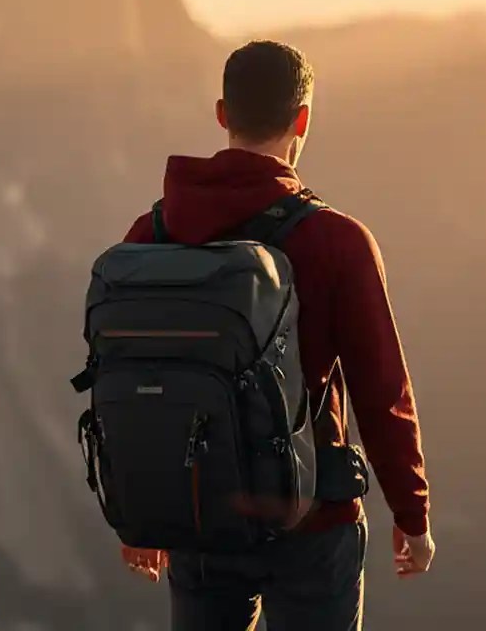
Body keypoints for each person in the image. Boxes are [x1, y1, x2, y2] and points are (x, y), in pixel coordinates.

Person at [118, 40, 433, 630]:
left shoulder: (152, 235)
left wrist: (145, 512)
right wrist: (411, 514)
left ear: (221, 114)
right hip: (313, 519)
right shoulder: (337, 241)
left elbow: (132, 376)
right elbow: (381, 390)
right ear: (303, 119)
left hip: (200, 514)